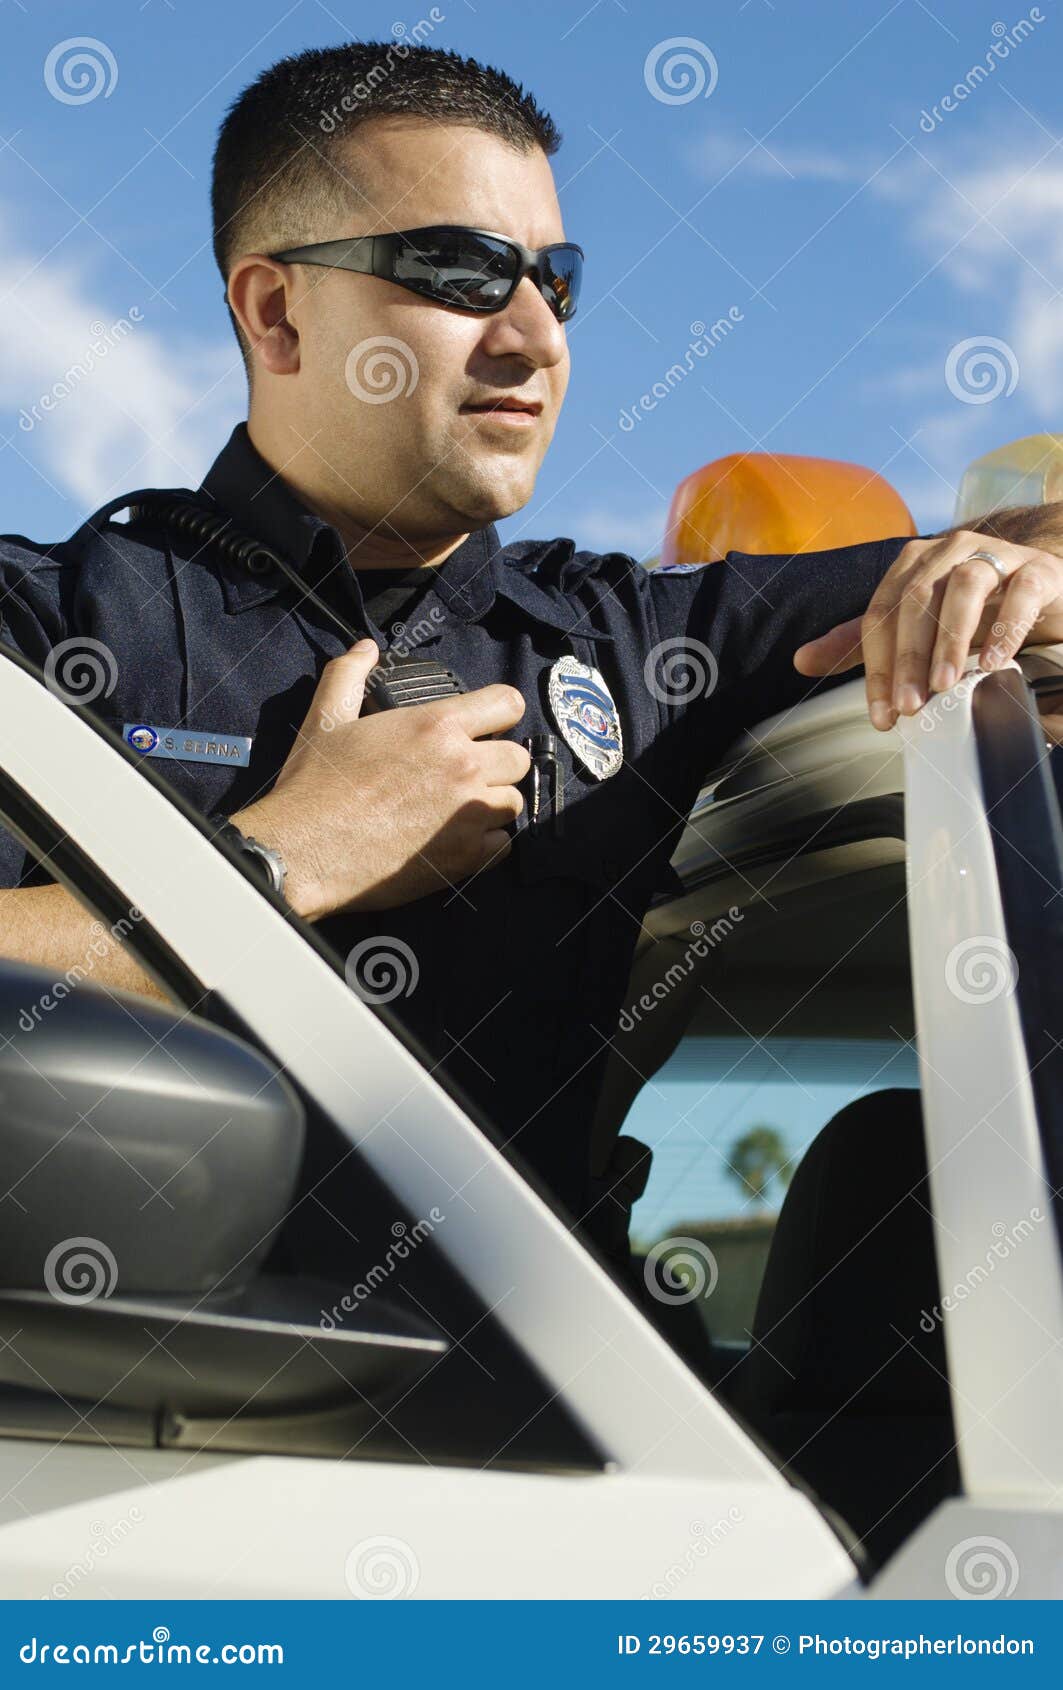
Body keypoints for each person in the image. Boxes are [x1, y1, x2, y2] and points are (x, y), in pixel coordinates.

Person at [2, 41, 1063, 1245]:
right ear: (276, 310)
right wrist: (277, 864)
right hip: (139, 1407)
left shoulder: (641, 641)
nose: (535, 336)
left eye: (552, 281)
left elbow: (1033, 545)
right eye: (457, 270)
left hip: (584, 1416)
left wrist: (1019, 562)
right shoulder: (42, 634)